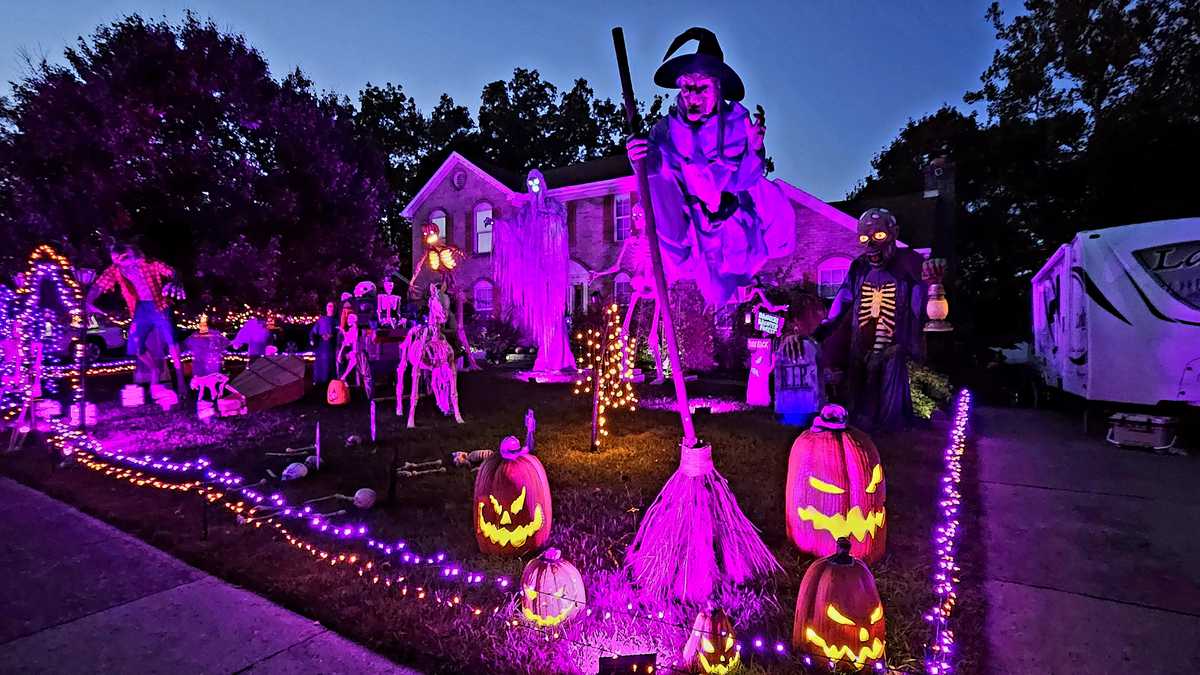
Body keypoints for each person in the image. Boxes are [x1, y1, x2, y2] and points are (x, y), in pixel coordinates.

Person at [625, 27, 794, 308]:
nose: (693, 96)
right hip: (685, 221)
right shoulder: (664, 131)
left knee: (725, 277)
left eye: (701, 88)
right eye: (687, 88)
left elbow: (745, 180)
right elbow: (654, 174)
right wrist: (638, 156)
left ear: (717, 88)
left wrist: (753, 150)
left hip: (729, 221)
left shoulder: (737, 126)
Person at [810, 208, 926, 431]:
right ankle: (858, 423)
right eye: (864, 238)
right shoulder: (859, 267)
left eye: (879, 236)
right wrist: (822, 329)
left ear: (894, 233)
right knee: (858, 393)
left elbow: (921, 304)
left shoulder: (908, 265)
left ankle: (892, 430)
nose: (871, 244)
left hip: (893, 346)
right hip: (860, 343)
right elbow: (843, 298)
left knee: (889, 394)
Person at [86, 242, 187, 397]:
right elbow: (99, 285)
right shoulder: (116, 270)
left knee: (171, 342)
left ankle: (180, 381)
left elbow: (171, 271)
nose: (120, 264)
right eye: (116, 261)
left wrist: (175, 280)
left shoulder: (149, 264)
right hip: (141, 310)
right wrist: (88, 301)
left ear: (133, 255)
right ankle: (154, 369)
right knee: (135, 345)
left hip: (160, 307)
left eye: (124, 258)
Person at [309, 301, 338, 384]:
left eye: (332, 306)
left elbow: (339, 332)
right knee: (320, 364)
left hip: (331, 346)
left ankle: (329, 381)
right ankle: (318, 381)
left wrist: (332, 335)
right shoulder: (321, 319)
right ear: (326, 308)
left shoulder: (336, 321)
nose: (330, 308)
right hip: (322, 346)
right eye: (329, 306)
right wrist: (312, 339)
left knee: (329, 364)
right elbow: (314, 332)